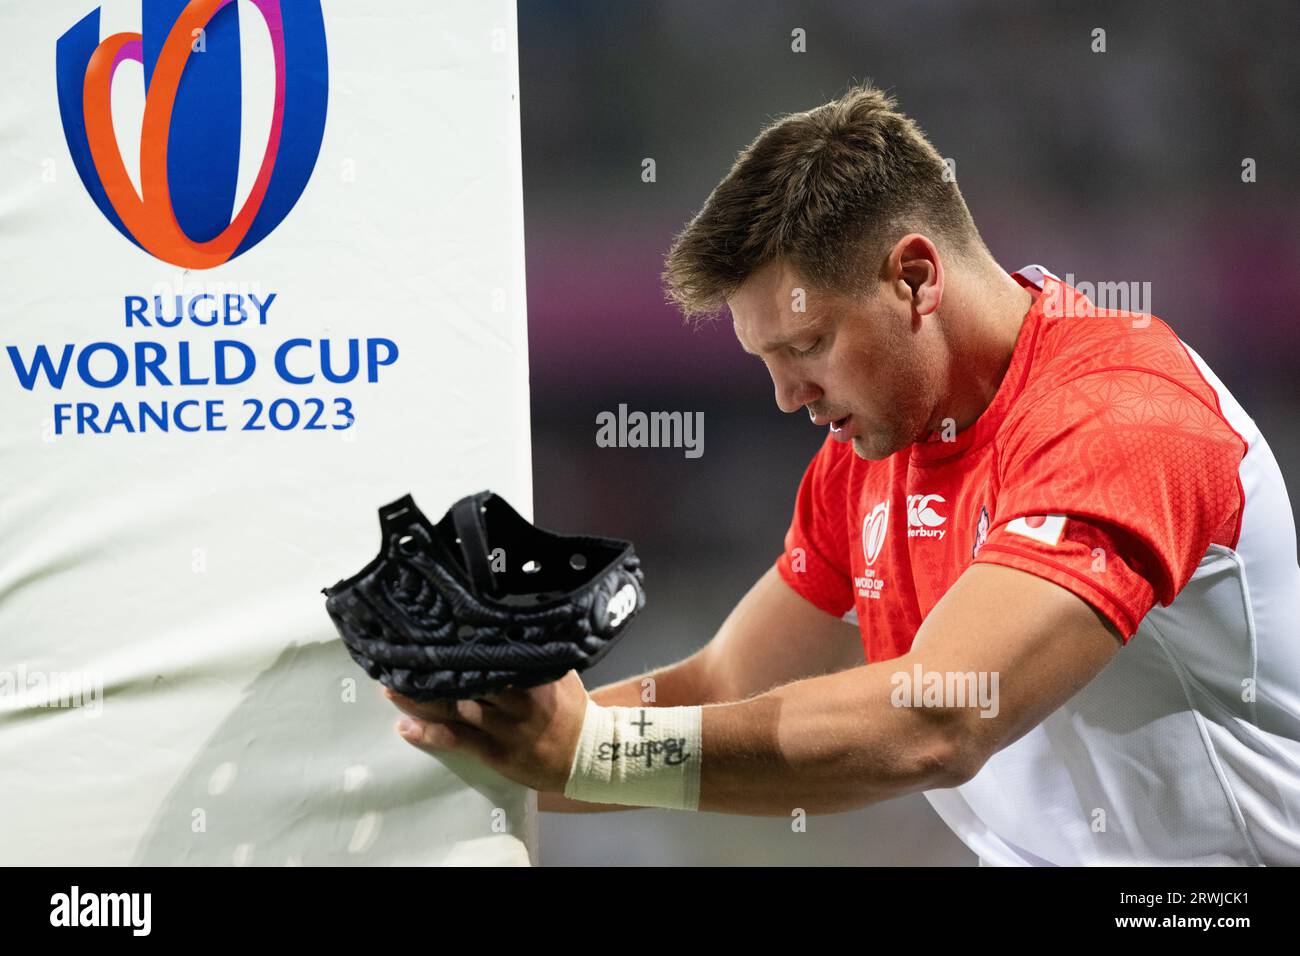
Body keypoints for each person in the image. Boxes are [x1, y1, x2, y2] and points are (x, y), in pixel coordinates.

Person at [385, 84, 1300, 865]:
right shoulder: (866, 460)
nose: (787, 396)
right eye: (766, 360)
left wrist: (596, 753)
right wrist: (472, 740)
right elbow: (721, 688)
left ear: (914, 276)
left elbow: (937, 719)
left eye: (808, 345)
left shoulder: (1121, 421)